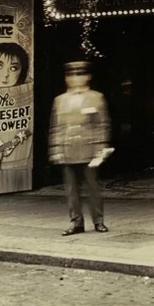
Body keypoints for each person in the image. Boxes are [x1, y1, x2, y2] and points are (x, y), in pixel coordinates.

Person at [48, 60, 111, 236]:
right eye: (71, 75)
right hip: (68, 149)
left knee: (93, 188)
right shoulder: (60, 100)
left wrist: (101, 149)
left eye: (80, 75)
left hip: (89, 150)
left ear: (88, 76)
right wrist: (56, 149)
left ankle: (98, 221)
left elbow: (102, 125)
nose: (76, 79)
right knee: (71, 190)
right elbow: (56, 127)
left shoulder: (96, 97)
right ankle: (76, 222)